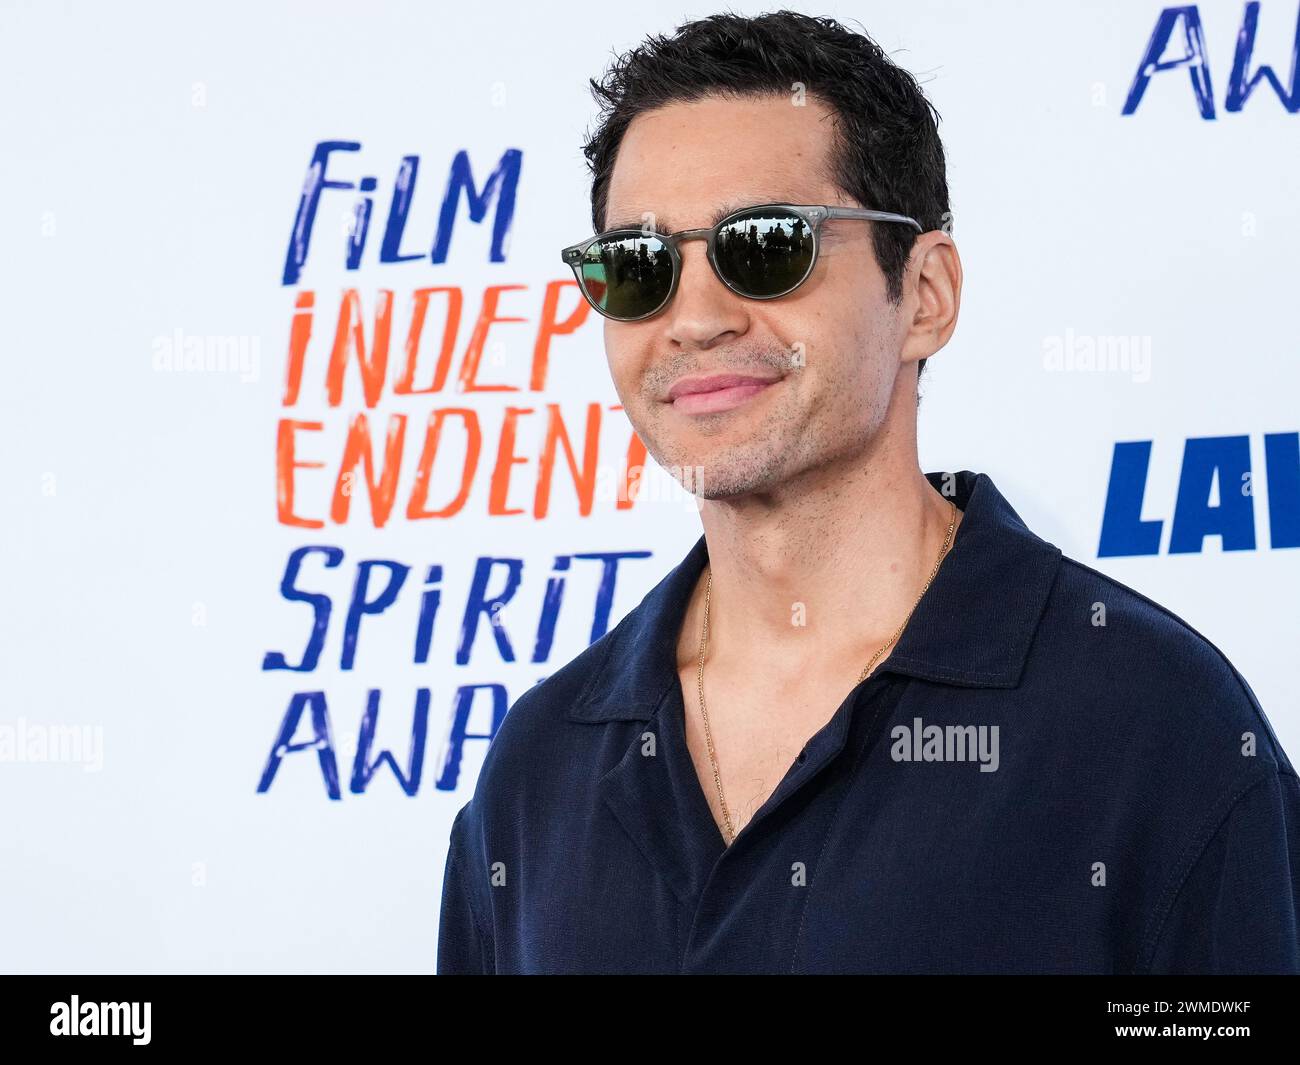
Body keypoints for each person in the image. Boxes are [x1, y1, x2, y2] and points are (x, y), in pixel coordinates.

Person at [437, 10, 1300, 974]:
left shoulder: (1156, 726)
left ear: (924, 295)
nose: (694, 319)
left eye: (763, 245)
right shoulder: (538, 766)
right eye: (639, 267)